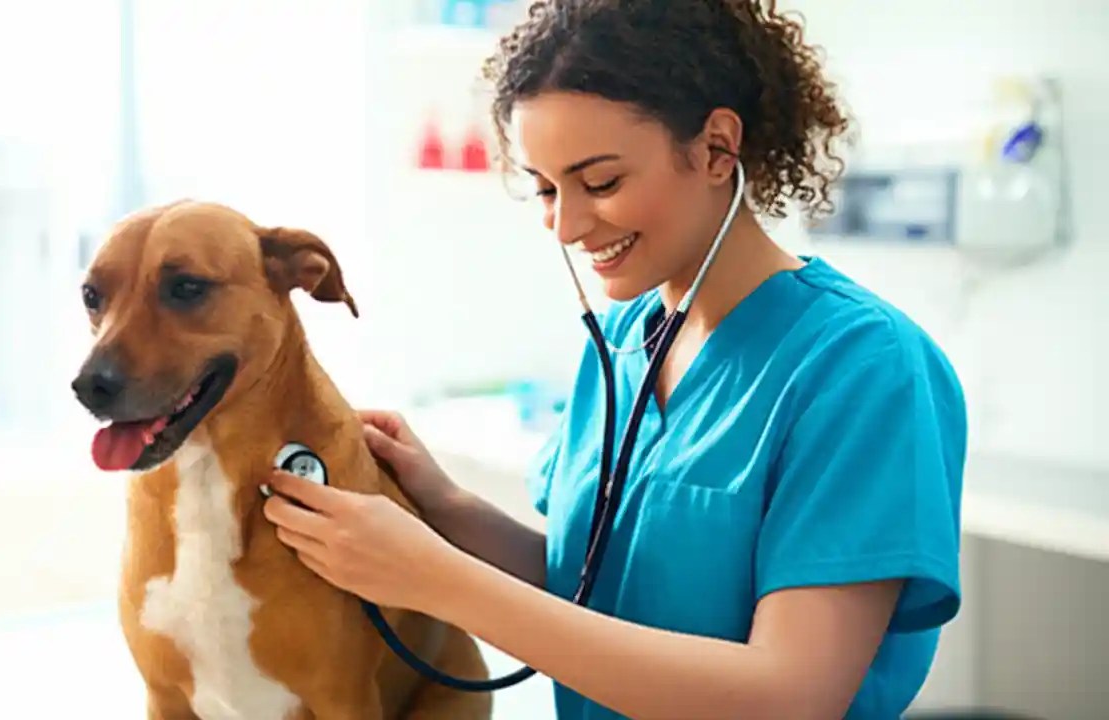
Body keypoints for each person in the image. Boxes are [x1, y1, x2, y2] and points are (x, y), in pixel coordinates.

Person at [263, 1, 966, 717]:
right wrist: (443, 506)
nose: (566, 226)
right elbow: (594, 588)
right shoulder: (625, 340)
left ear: (718, 149)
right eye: (544, 188)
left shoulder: (862, 366)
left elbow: (789, 694)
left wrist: (432, 578)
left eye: (599, 183)